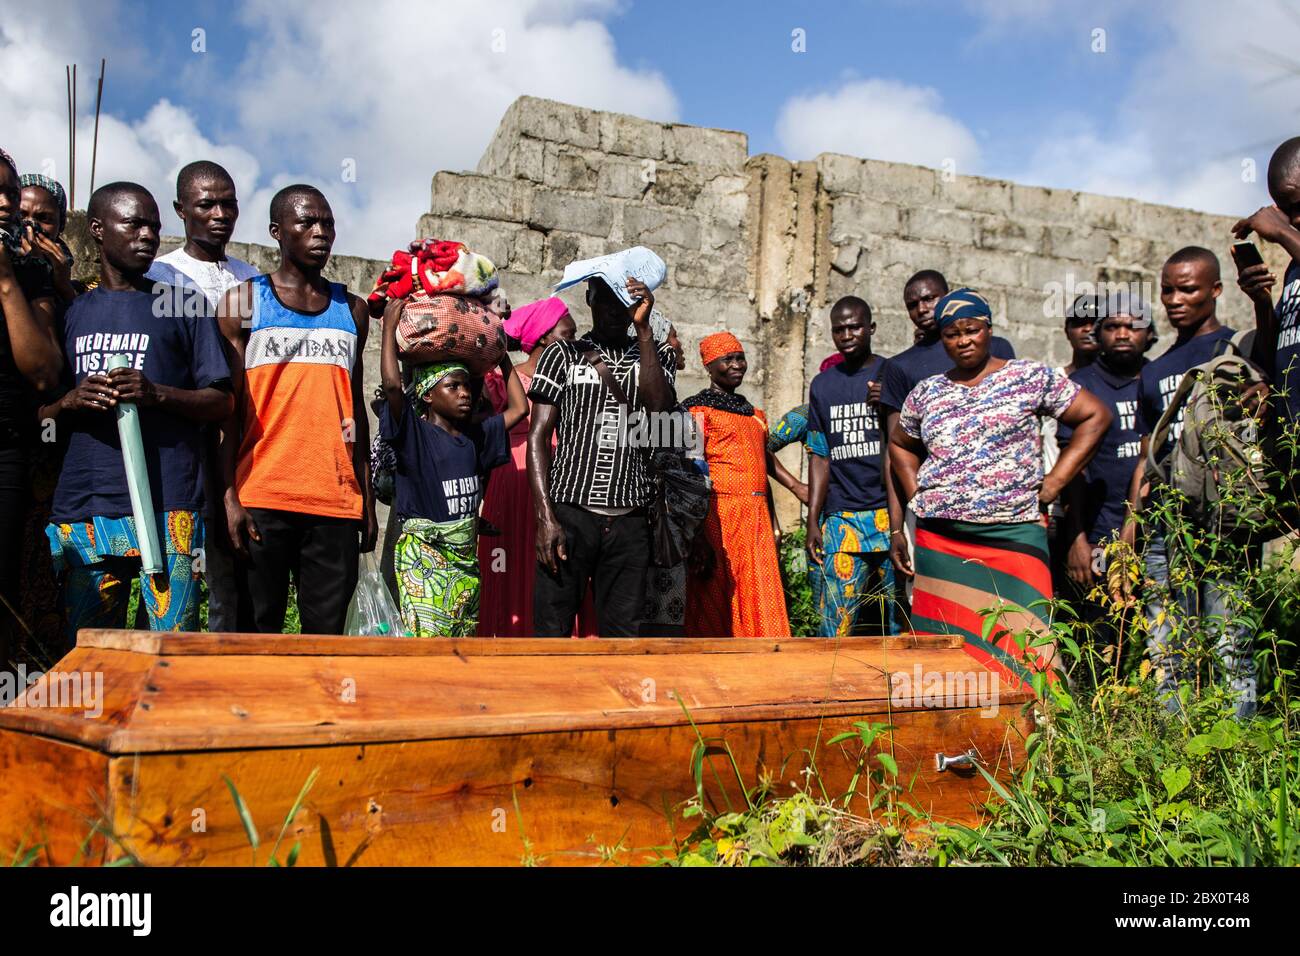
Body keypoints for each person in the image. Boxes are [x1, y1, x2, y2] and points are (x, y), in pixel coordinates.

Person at [889, 288, 1109, 691]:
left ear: (988, 329)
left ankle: (1037, 736)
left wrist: (1055, 481)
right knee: (946, 646)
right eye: (952, 334)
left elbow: (1095, 416)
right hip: (942, 542)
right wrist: (916, 494)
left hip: (1013, 535)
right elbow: (900, 445)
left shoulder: (1028, 377)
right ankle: (959, 734)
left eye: (971, 329)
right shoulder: (927, 392)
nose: (963, 340)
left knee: (1027, 642)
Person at [45, 182, 233, 642]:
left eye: (154, 225)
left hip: (170, 505)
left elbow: (220, 401)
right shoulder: (71, 312)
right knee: (92, 655)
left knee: (168, 655)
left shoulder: (183, 305)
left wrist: (156, 395)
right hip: (88, 507)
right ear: (97, 229)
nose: (148, 235)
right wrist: (69, 403)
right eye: (134, 223)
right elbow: (39, 416)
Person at [217, 184, 376, 635]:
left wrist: (362, 494)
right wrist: (228, 495)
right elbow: (228, 413)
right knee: (255, 637)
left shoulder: (354, 310)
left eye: (327, 223)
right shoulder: (243, 303)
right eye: (306, 222)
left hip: (335, 503)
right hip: (262, 496)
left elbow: (356, 411)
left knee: (325, 644)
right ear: (276, 231)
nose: (320, 232)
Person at [1125, 247, 1257, 719]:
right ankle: (1171, 743)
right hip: (1165, 520)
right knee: (1165, 642)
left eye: (1189, 288)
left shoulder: (1240, 347)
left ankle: (1237, 745)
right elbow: (1148, 452)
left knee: (1228, 639)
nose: (1175, 299)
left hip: (1223, 517)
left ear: (1215, 290)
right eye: (1168, 289)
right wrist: (1131, 524)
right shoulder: (1155, 369)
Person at [527, 273, 675, 638]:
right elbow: (537, 436)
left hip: (631, 518)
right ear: (589, 300)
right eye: (603, 299)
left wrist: (644, 333)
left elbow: (659, 411)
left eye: (621, 301)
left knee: (624, 636)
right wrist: (546, 517)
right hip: (571, 513)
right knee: (552, 632)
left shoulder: (656, 354)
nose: (612, 309)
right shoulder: (562, 355)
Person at [146, 160, 259, 634]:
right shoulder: (160, 274)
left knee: (234, 563)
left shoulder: (252, 277)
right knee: (179, 567)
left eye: (228, 203)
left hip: (240, 432)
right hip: (185, 434)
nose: (219, 214)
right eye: (206, 204)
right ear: (180, 210)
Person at [379, 299, 524, 636]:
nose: (464, 395)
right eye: (452, 387)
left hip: (465, 564)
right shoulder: (415, 435)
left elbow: (519, 409)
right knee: (428, 645)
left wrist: (501, 356)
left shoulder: (476, 436)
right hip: (425, 560)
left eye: (465, 386)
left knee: (460, 642)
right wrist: (388, 328)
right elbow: (391, 388)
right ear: (428, 396)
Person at [880, 270, 1017, 610]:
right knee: (937, 602)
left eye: (929, 298)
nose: (922, 308)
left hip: (995, 507)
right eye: (913, 304)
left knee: (999, 600)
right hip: (934, 509)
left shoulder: (995, 349)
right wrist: (899, 525)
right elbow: (895, 450)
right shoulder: (900, 367)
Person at [1056, 291, 1155, 664]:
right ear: (1100, 333)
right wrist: (1077, 539)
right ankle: (1099, 714)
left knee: (1155, 631)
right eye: (1112, 327)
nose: (1123, 334)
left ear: (1148, 332)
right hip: (1100, 532)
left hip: (1152, 534)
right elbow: (1074, 469)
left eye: (1133, 326)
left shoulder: (1158, 378)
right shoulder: (1080, 385)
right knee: (1102, 634)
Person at [476, 296, 582, 636]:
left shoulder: (576, 382)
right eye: (568, 335)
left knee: (555, 562)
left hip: (560, 478)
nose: (574, 343)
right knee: (509, 561)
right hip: (514, 476)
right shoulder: (503, 380)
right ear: (543, 338)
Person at [683, 331, 790, 638]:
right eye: (727, 359)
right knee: (717, 593)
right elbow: (691, 472)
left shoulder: (756, 416)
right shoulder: (696, 411)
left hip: (756, 518)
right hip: (719, 516)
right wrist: (697, 533)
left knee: (759, 592)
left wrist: (774, 523)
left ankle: (763, 666)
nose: (736, 365)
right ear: (709, 365)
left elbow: (762, 473)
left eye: (739, 357)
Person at [0, 149, 62, 670]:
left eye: (9, 193)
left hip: (13, 449)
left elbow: (43, 370)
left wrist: (5, 280)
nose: (6, 205)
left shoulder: (32, 274)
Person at [806, 296, 895, 636]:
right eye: (838, 329)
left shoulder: (892, 372)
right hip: (843, 520)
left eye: (854, 326)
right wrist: (814, 520)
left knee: (900, 621)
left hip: (891, 516)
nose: (847, 335)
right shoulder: (823, 385)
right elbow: (819, 455)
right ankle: (833, 688)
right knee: (835, 625)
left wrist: (888, 404)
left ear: (871, 328)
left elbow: (911, 440)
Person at [1234, 135, 1300, 458]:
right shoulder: (1295, 269)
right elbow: (1270, 362)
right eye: (1287, 211)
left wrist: (1283, 233)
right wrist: (1262, 301)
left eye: (1299, 206)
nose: (1296, 219)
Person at [18, 173, 78, 306]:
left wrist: (64, 287)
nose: (30, 226)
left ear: (60, 226)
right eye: (21, 215)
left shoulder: (77, 292)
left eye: (43, 218)